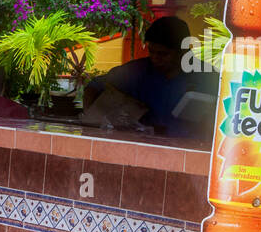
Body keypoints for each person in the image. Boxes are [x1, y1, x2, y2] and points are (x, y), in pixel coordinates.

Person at [82, 15, 216, 139]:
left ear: (184, 50)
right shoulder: (136, 71)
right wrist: (92, 121)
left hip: (192, 151)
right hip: (142, 149)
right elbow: (93, 87)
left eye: (163, 54)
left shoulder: (208, 76)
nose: (156, 58)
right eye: (152, 51)